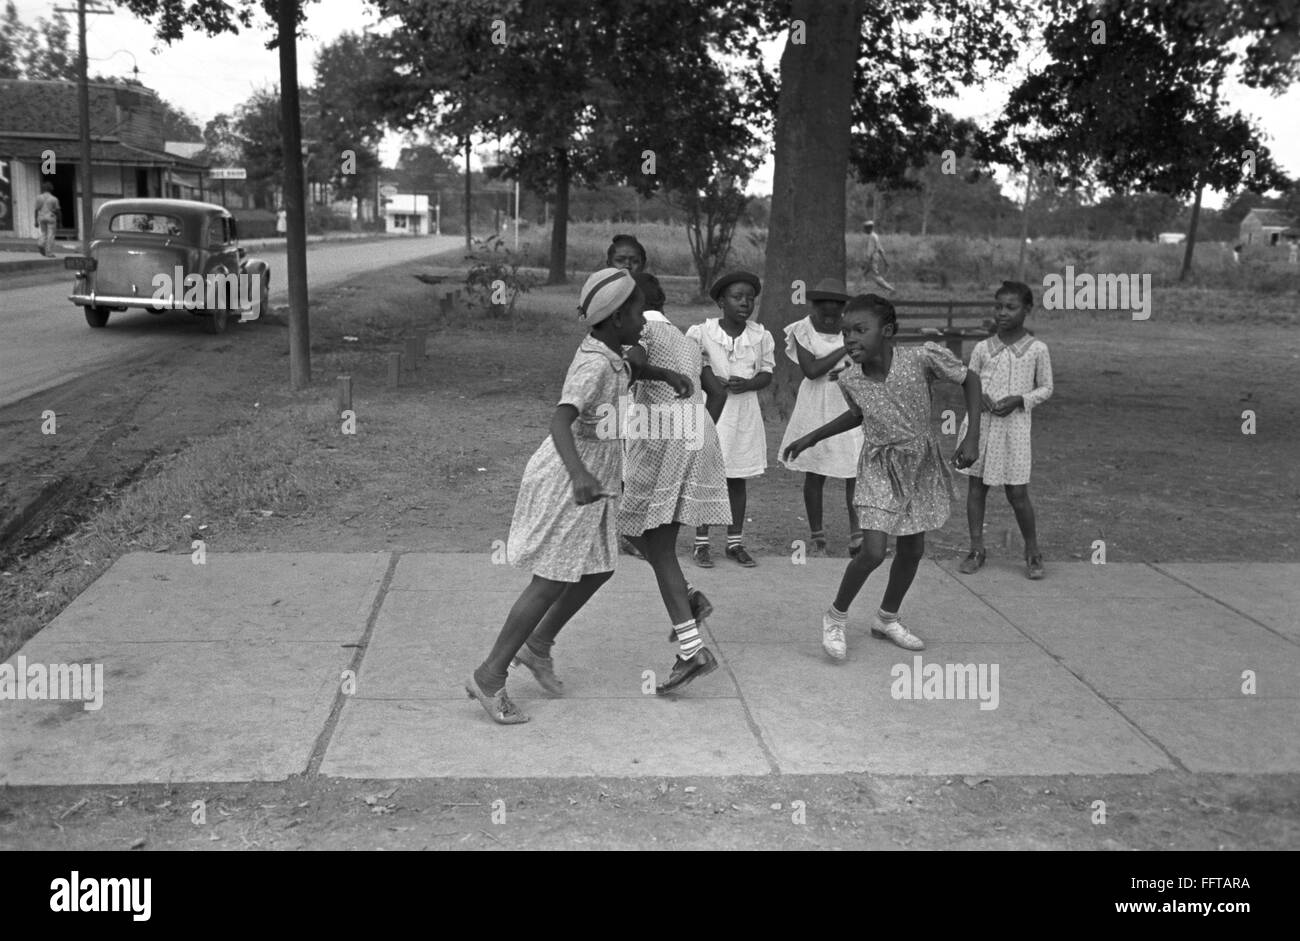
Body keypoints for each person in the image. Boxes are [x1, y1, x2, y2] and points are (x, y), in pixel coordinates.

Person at [466, 268, 690, 724]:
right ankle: (489, 676)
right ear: (615, 317)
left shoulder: (611, 351)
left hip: (597, 473)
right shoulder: (592, 365)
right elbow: (559, 421)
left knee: (598, 568)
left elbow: (631, 368)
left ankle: (539, 647)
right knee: (550, 578)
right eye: (637, 312)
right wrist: (580, 475)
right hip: (571, 476)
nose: (645, 321)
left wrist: (665, 373)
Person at [783, 294, 981, 661]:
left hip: (919, 463)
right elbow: (858, 415)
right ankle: (835, 616)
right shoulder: (850, 378)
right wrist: (812, 436)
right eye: (845, 333)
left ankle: (886, 618)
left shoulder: (922, 358)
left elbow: (970, 380)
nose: (850, 340)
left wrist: (971, 435)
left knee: (913, 548)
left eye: (860, 330)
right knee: (873, 550)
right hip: (877, 465)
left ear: (887, 331)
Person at [618, 272, 731, 693]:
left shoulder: (640, 331)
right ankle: (689, 599)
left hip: (662, 439)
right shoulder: (686, 338)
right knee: (632, 529)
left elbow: (629, 369)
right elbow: (715, 392)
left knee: (656, 544)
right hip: (694, 435)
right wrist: (696, 431)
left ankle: (690, 649)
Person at [956, 281, 1053, 580]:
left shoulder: (1037, 349)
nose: (1002, 313)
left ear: (1027, 310)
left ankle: (1032, 550)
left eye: (1010, 307)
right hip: (981, 427)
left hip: (1014, 429)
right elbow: (968, 381)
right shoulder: (983, 348)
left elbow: (1047, 387)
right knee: (976, 488)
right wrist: (978, 395)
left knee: (1017, 493)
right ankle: (976, 548)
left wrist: (1021, 400)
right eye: (998, 307)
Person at [686, 270, 774, 569]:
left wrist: (749, 383)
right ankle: (701, 543)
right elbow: (691, 365)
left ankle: (735, 541)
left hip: (743, 416)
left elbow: (766, 373)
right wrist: (711, 379)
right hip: (713, 412)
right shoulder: (702, 333)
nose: (745, 303)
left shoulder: (760, 336)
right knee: (707, 477)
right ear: (721, 302)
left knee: (736, 479)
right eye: (737, 297)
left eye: (750, 298)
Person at [778, 277, 865, 556]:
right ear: (813, 307)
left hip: (847, 400)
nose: (830, 319)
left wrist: (849, 370)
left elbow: (864, 362)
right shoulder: (802, 330)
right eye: (823, 313)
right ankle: (817, 536)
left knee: (854, 467)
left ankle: (858, 534)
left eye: (835, 313)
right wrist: (843, 349)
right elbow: (812, 370)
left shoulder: (854, 328)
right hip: (816, 402)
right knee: (815, 470)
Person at [605, 233, 651, 561]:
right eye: (621, 259)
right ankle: (613, 529)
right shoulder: (602, 295)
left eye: (634, 260)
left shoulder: (645, 294)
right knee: (611, 459)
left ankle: (630, 531)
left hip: (638, 387)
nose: (628, 265)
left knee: (633, 462)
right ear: (610, 263)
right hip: (610, 384)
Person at [862, 220, 895, 293]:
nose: (864, 230)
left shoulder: (871, 237)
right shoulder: (875, 236)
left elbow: (870, 252)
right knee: (864, 273)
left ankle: (891, 289)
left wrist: (866, 261)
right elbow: (880, 249)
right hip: (875, 258)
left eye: (865, 228)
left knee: (875, 277)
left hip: (872, 259)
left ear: (868, 228)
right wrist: (885, 260)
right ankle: (861, 289)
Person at [34, 181, 60, 257]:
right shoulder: (54, 199)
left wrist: (35, 221)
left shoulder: (39, 198)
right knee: (51, 235)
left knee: (44, 233)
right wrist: (60, 221)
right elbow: (58, 210)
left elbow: (36, 210)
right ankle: (49, 252)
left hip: (41, 217)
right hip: (51, 218)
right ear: (51, 189)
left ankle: (40, 243)